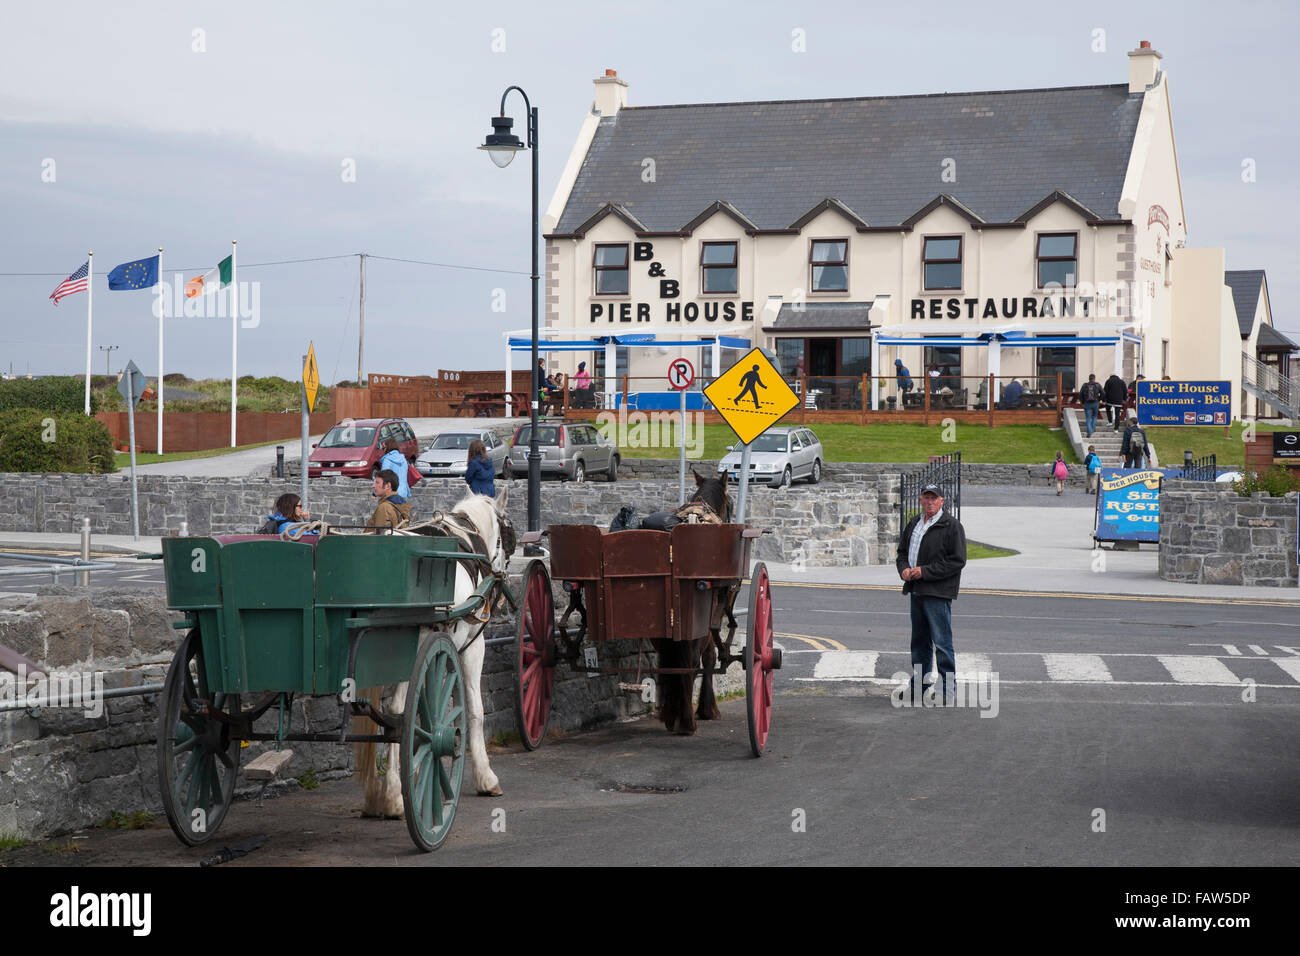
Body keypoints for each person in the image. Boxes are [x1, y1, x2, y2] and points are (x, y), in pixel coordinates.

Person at [896, 484, 967, 706]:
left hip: (938, 592)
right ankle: (919, 686)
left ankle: (947, 690)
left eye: (934, 498)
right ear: (920, 500)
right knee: (919, 643)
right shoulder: (914, 523)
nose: (929, 502)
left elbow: (957, 561)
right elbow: (902, 553)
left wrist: (924, 571)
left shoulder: (952, 526)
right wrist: (904, 569)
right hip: (916, 590)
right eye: (926, 497)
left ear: (942, 501)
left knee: (942, 643)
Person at [375, 437, 411, 504]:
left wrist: (374, 492)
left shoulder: (387, 460)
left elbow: (383, 477)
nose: (383, 450)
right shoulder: (403, 459)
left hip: (392, 493)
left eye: (383, 448)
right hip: (404, 492)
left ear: (388, 447)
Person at [1078, 373, 1103, 437]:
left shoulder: (1084, 385)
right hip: (1095, 403)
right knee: (1095, 416)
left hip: (1087, 403)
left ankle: (1089, 432)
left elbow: (1080, 395)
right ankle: (1092, 429)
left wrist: (1083, 402)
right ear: (1094, 379)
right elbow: (1103, 393)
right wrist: (1099, 399)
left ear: (1089, 379)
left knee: (1088, 418)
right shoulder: (1097, 385)